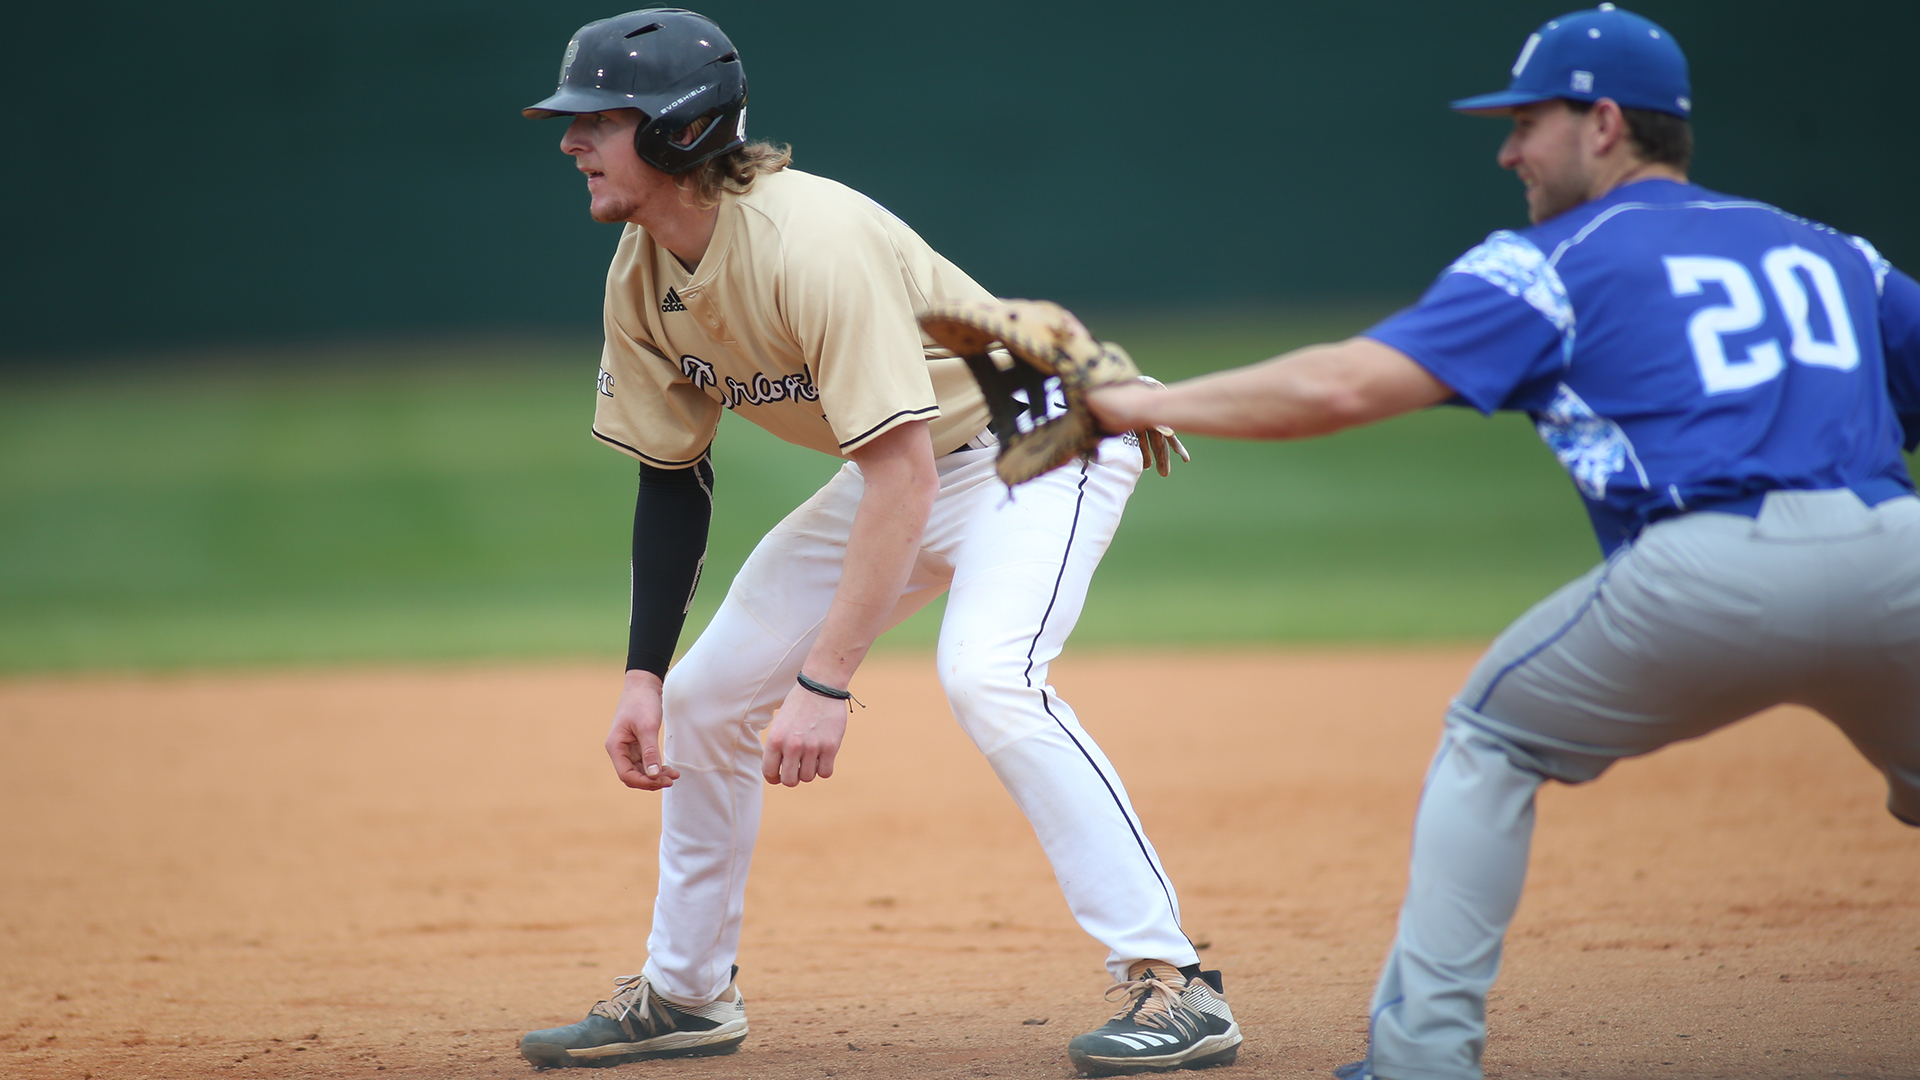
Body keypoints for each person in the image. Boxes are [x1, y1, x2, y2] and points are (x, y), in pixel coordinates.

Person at [1085, 6, 1920, 1080]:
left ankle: (1422, 1059)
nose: (1508, 149)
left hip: (1707, 573)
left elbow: (1340, 385)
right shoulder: (1833, 252)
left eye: (1529, 122)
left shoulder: (1551, 262)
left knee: (1492, 737)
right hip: (1899, 556)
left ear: (1605, 122)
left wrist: (1132, 403)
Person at [512, 9, 1241, 1075]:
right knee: (704, 702)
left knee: (991, 677)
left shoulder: (812, 241)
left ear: (675, 129)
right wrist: (641, 673)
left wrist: (825, 681)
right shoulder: (642, 270)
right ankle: (686, 994)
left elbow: (895, 473)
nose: (571, 140)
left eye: (599, 120)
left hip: (1043, 439)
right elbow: (673, 478)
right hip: (916, 465)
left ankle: (1175, 985)